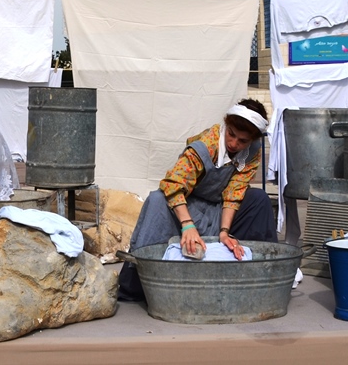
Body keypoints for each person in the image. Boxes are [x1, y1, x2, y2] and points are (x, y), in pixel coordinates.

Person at [117, 98, 277, 301]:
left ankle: (263, 273)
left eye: (242, 141)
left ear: (252, 140)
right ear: (226, 125)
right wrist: (187, 225)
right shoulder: (204, 146)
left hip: (217, 209)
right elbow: (172, 185)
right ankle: (139, 284)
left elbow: (234, 193)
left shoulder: (251, 152)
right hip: (188, 207)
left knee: (259, 199)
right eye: (231, 134)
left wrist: (224, 232)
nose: (234, 143)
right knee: (157, 200)